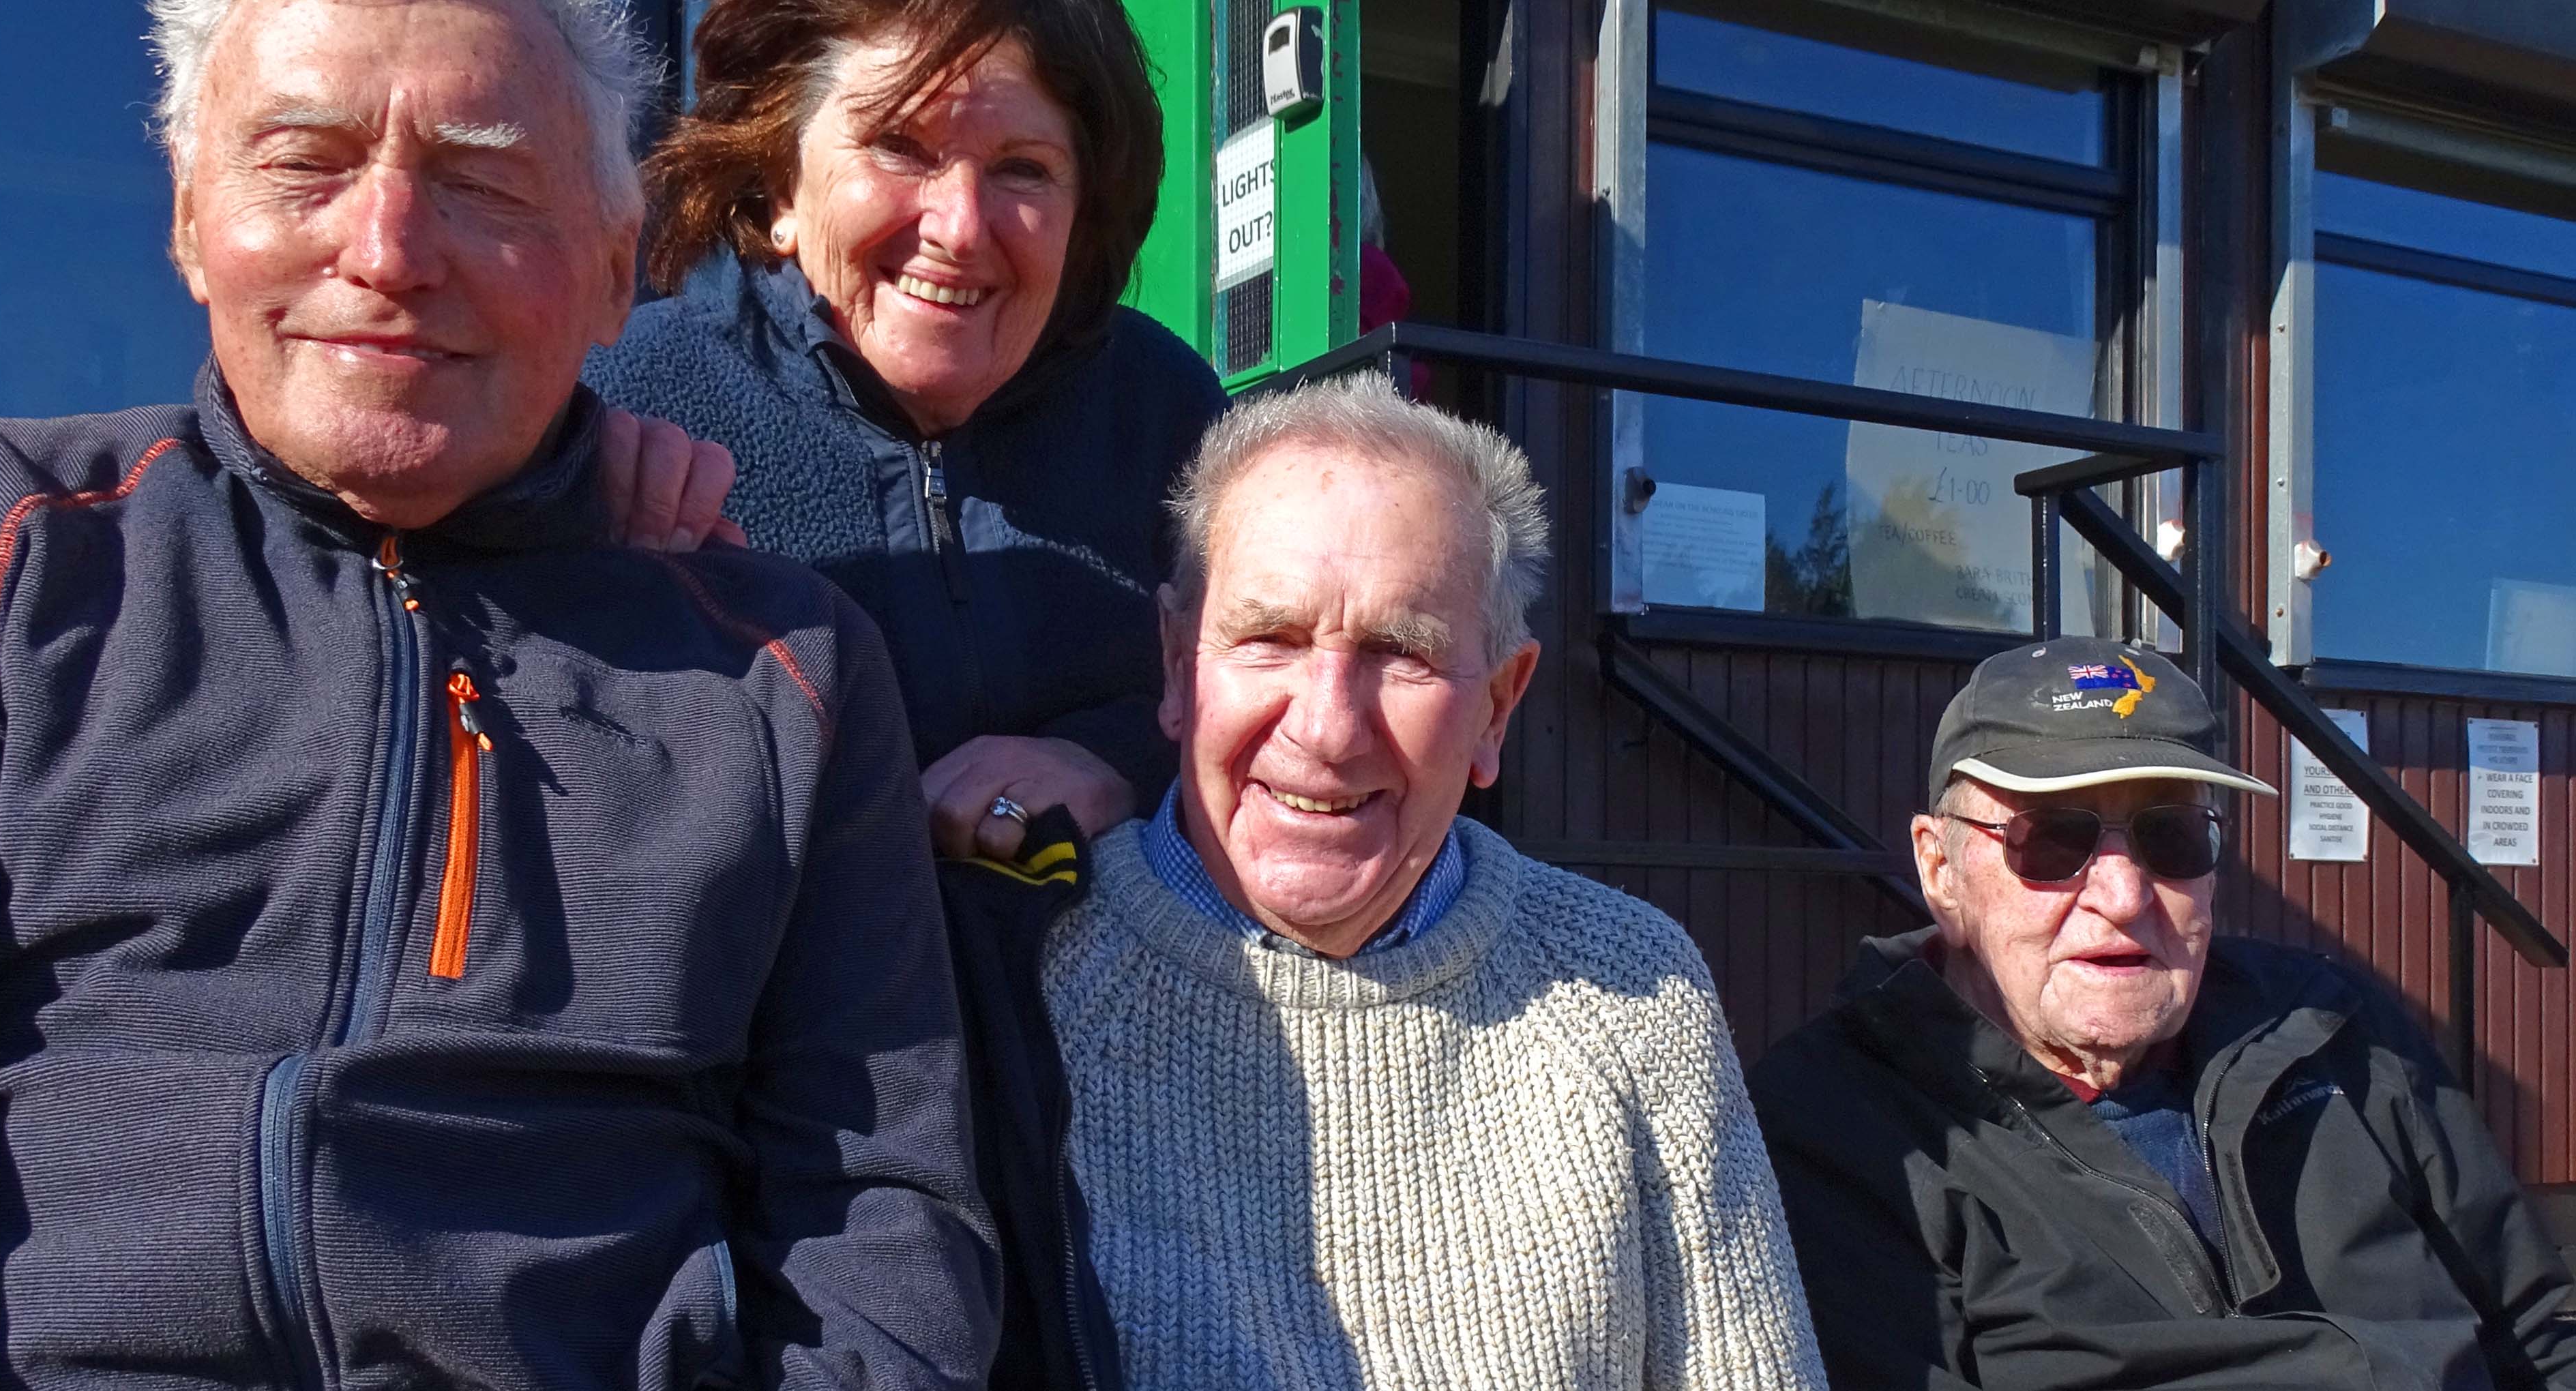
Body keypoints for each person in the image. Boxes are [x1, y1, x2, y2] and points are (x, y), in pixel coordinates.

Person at [0, 0, 996, 1390]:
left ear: (611, 265)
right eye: (300, 165)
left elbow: (880, 1213)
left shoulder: (779, 667)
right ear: (190, 223)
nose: (384, 250)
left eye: (483, 181)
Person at [942, 371, 1825, 1390]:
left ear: (1498, 706)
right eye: (1268, 638)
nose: (1324, 725)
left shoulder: (1630, 993)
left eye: (1399, 653)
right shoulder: (1022, 977)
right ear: (1180, 666)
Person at [586, 0, 1226, 860]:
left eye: (1022, 168)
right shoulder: (626, 398)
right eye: (899, 146)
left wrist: (1119, 761)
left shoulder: (1168, 413)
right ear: (777, 183)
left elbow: (1275, 699)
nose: (960, 225)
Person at [1752, 636, 2576, 1390]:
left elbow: (2538, 1333)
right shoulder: (1837, 1128)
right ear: (1939, 867)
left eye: (2171, 836)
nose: (2122, 894)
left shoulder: (2332, 1025)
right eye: (2051, 841)